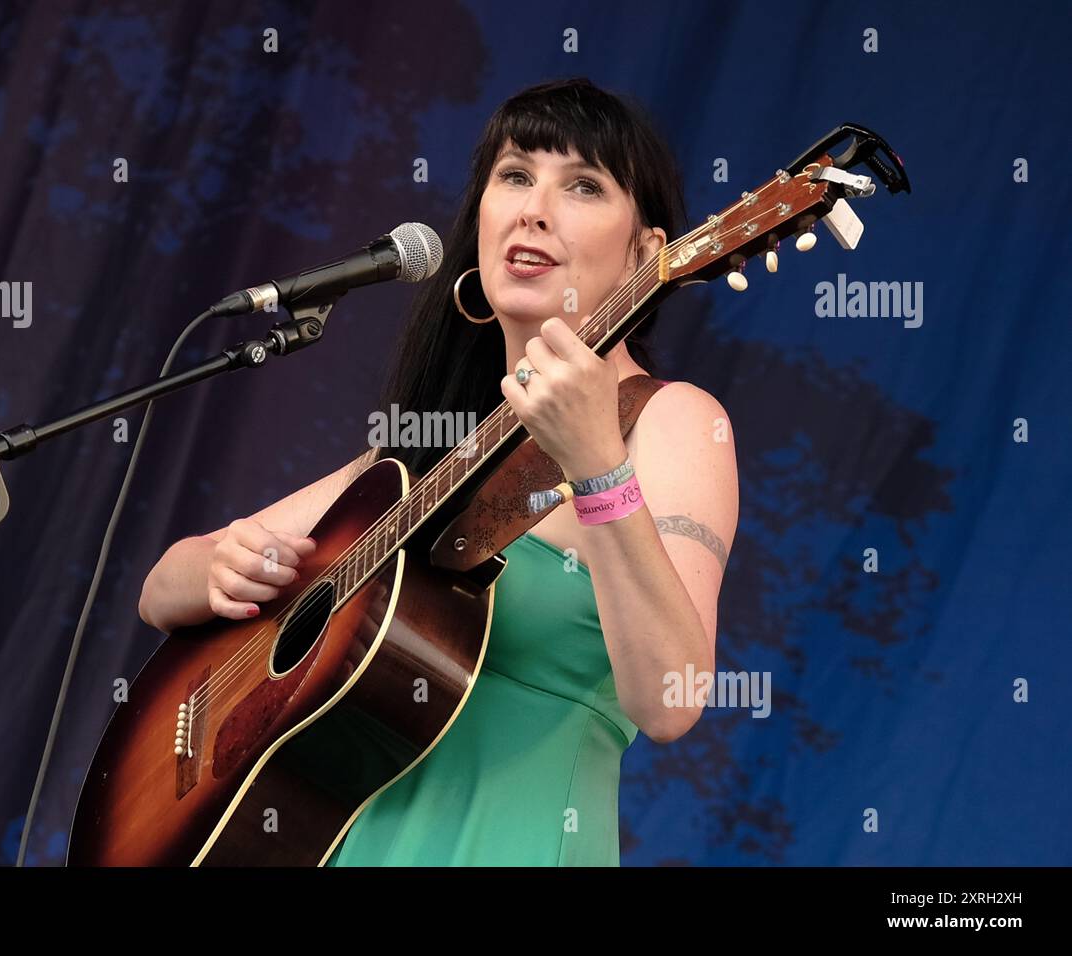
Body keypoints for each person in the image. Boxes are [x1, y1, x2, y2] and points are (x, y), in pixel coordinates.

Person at [138, 77, 739, 866]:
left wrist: (597, 464)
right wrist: (220, 567)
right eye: (515, 175)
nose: (534, 208)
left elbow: (671, 704)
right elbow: (160, 588)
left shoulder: (674, 421)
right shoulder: (424, 462)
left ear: (647, 253)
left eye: (584, 185)